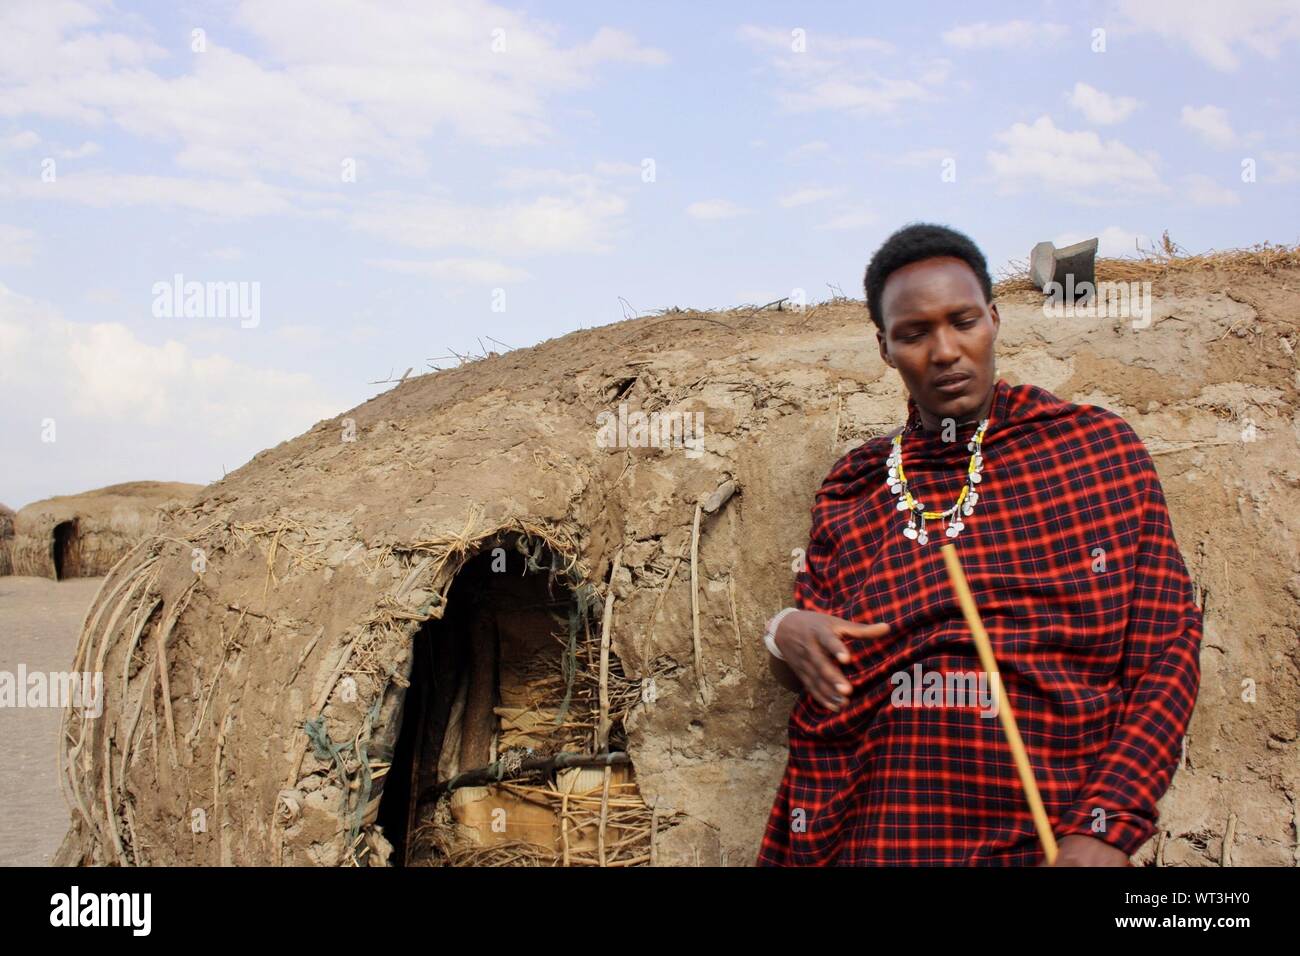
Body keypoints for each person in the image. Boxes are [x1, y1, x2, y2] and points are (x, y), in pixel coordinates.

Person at [756, 223, 1202, 866]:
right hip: (874, 835)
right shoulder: (856, 484)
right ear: (885, 349)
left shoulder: (1093, 450)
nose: (944, 351)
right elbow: (820, 663)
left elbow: (1165, 648)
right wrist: (786, 629)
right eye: (914, 334)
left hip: (1048, 834)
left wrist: (1106, 823)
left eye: (962, 321)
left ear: (993, 319)